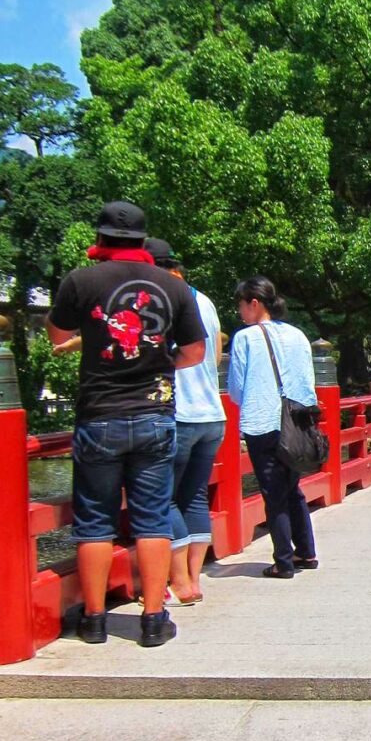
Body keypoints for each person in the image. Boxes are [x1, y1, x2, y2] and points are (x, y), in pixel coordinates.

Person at [47, 201, 207, 647]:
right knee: (152, 518)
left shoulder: (80, 280)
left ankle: (95, 621)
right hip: (155, 414)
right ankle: (154, 620)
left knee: (94, 520)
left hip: (99, 415)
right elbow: (195, 353)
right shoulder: (172, 286)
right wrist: (158, 365)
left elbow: (57, 336)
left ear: (100, 240)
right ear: (142, 240)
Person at [145, 239, 225, 605]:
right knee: (194, 497)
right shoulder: (204, 299)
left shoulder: (159, 297)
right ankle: (195, 578)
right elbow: (216, 354)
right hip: (212, 414)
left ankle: (178, 582)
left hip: (180, 413)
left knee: (163, 499)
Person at [228, 275, 318, 578]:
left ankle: (283, 560)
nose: (240, 312)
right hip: (297, 420)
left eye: (242, 305)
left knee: (274, 492)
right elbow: (308, 380)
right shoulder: (298, 335)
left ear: (255, 303)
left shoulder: (244, 338)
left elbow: (236, 388)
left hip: (262, 422)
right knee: (293, 488)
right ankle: (306, 552)